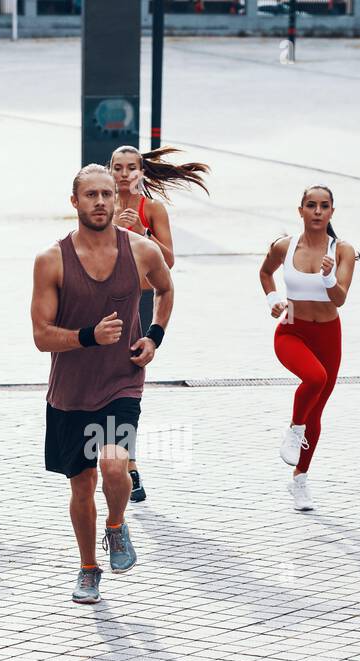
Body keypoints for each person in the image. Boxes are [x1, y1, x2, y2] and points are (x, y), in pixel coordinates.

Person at [31, 164, 174, 604]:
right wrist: (87, 337)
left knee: (114, 465)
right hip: (70, 392)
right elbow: (41, 336)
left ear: (118, 199)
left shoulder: (143, 251)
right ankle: (88, 567)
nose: (99, 202)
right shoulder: (51, 260)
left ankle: (117, 523)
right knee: (81, 485)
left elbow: (166, 291)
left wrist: (154, 336)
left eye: (107, 195)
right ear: (74, 202)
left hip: (121, 381)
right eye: (90, 195)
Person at [108, 144, 208, 503]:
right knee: (100, 389)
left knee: (127, 387)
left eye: (130, 168)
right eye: (117, 167)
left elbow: (168, 262)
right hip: (101, 306)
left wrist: (141, 234)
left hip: (136, 306)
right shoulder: (101, 206)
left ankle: (129, 466)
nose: (123, 174)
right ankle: (110, 462)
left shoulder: (152, 209)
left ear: (141, 173)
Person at [258, 185, 359, 512]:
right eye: (311, 205)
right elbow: (265, 272)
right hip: (292, 331)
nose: (317, 211)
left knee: (316, 411)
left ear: (332, 212)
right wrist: (274, 299)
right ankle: (294, 428)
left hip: (329, 336)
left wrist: (329, 278)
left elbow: (340, 298)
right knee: (314, 378)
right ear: (300, 210)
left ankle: (299, 480)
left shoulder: (342, 250)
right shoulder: (284, 246)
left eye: (324, 206)